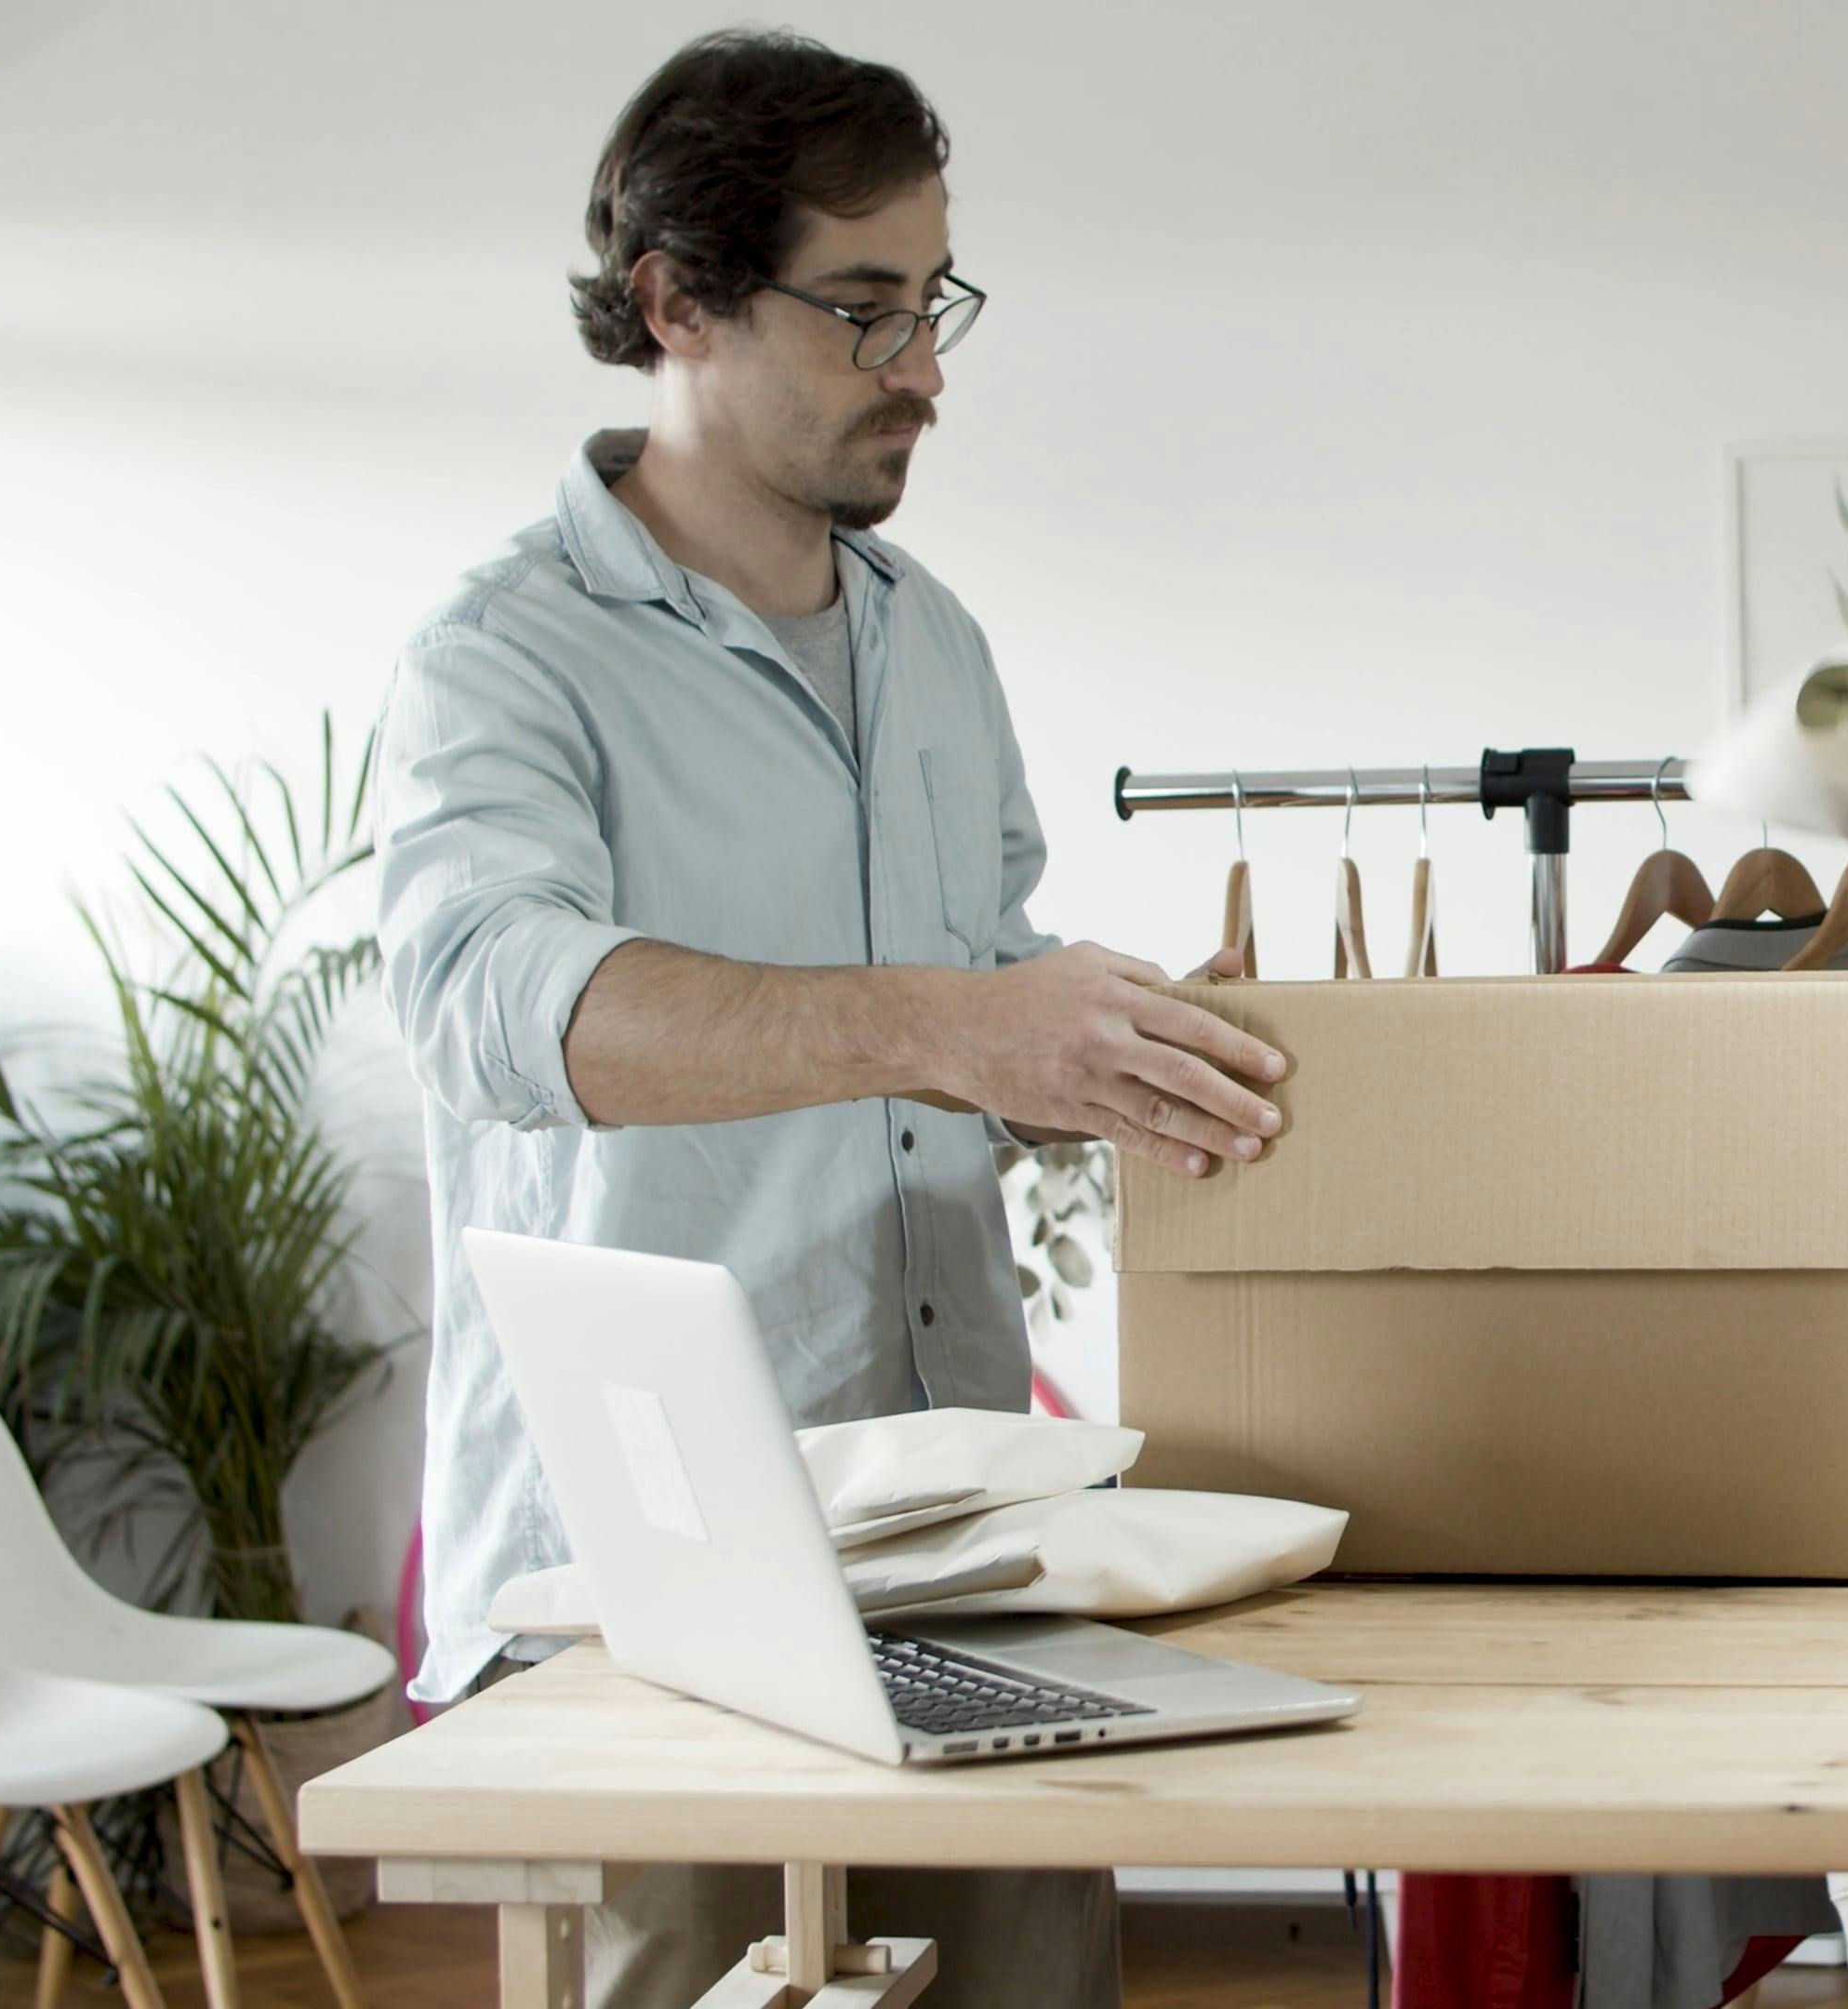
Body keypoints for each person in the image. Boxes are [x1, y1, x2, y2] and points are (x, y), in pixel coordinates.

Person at [374, 31, 1289, 2007]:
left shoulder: (933, 642)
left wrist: (1113, 1058)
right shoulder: (504, 657)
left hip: (970, 1543)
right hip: (651, 1577)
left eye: (936, 302)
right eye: (864, 308)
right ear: (676, 304)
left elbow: (970, 1015)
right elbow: (488, 1008)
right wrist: (955, 1027)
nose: (924, 371)